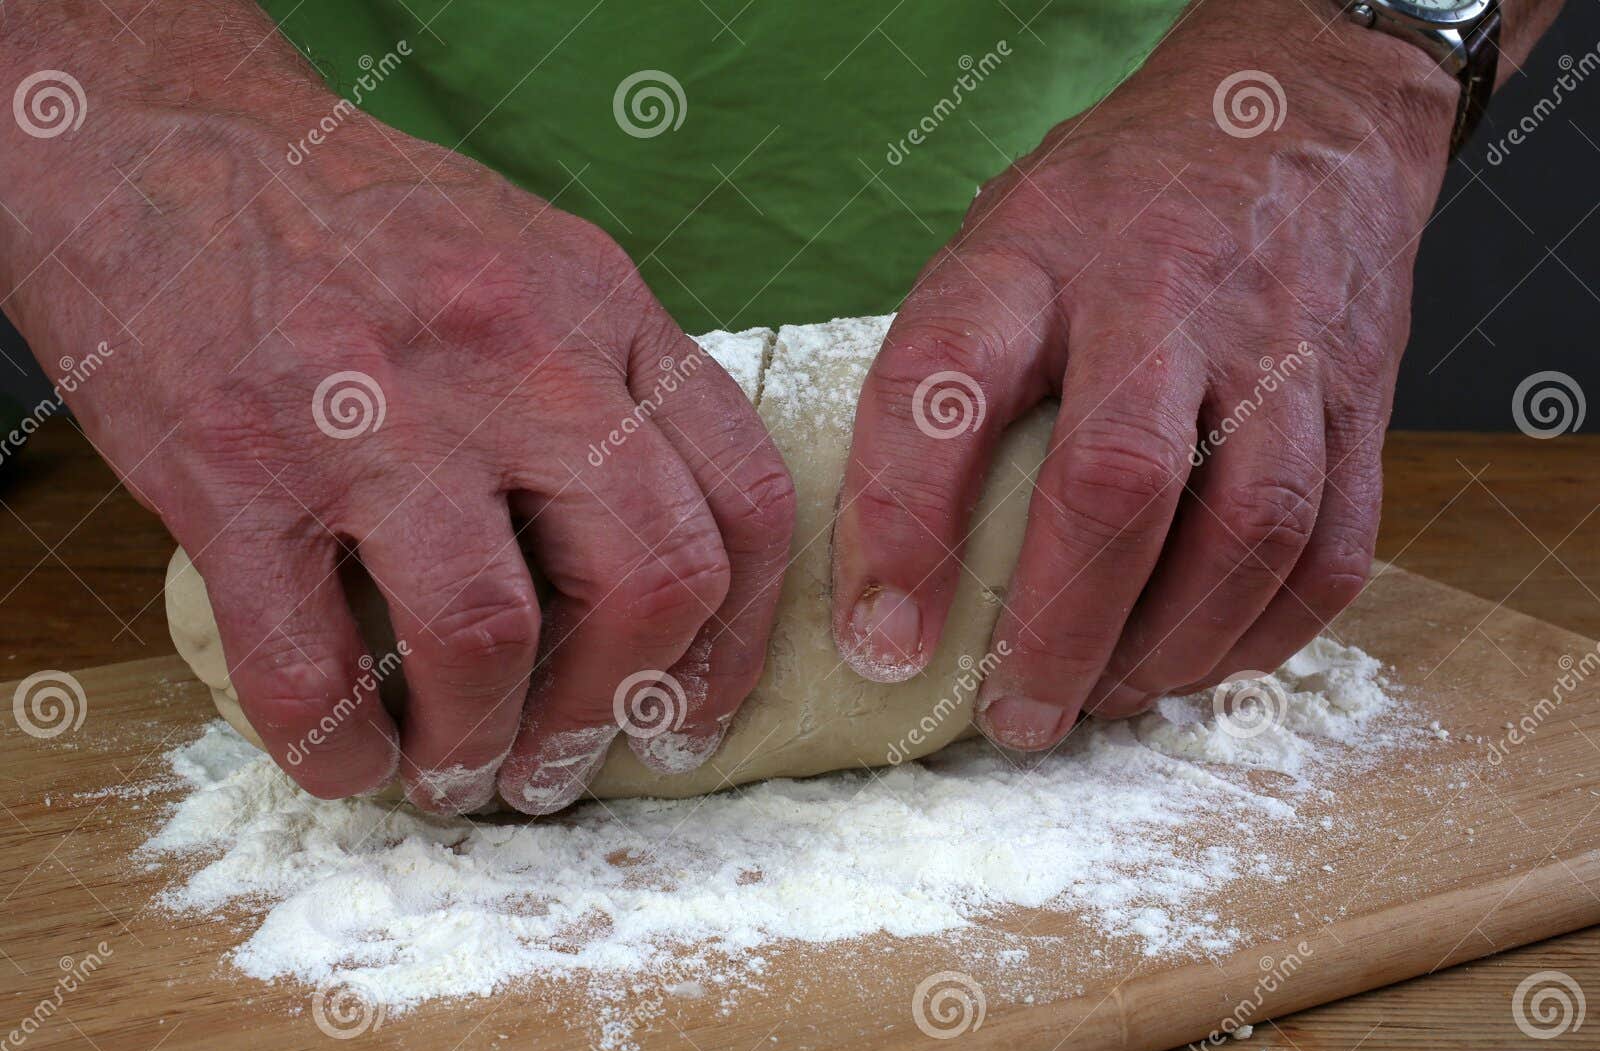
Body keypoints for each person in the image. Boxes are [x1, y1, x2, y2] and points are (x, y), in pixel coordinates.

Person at [0, 0, 1564, 814]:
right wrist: (105, 114)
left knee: (1108, 479)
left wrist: (1368, 50)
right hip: (264, 400)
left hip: (1123, 309)